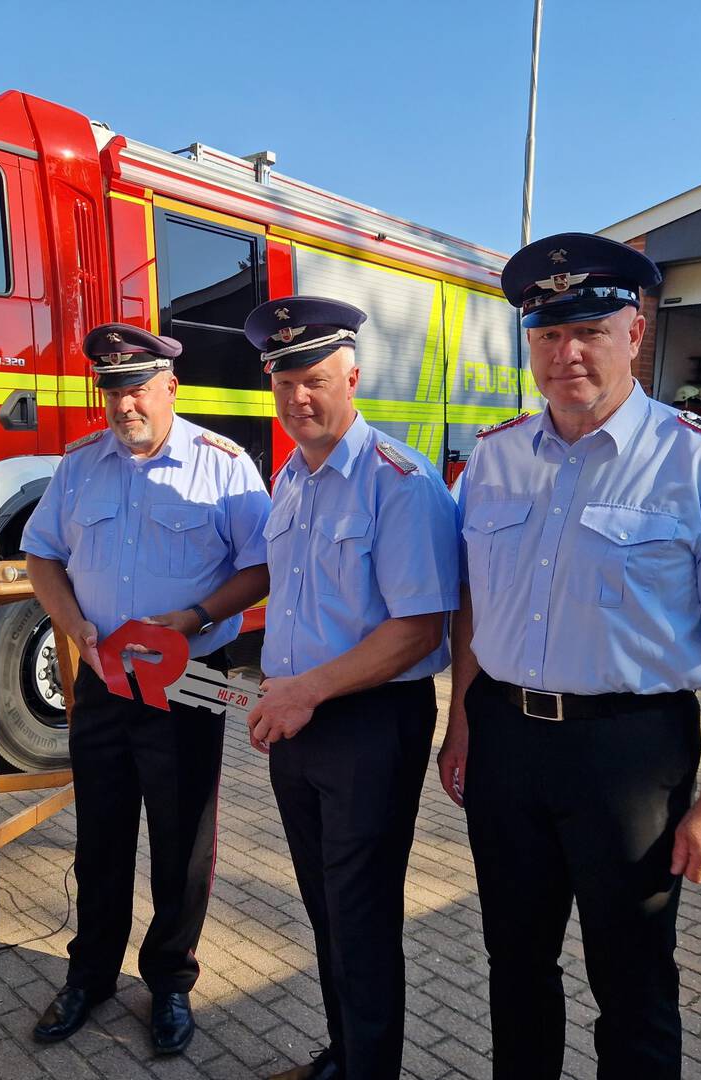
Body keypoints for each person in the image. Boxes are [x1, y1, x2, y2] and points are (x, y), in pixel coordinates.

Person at [437, 232, 701, 1079]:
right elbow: (473, 614)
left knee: (633, 980)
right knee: (514, 965)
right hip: (506, 741)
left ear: (634, 334)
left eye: (590, 332)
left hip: (630, 756)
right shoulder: (493, 461)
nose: (566, 354)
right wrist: (461, 723)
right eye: (546, 334)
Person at [21, 322, 271, 1055]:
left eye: (137, 389)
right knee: (100, 832)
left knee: (181, 838)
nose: (124, 404)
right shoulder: (78, 468)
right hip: (103, 682)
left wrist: (195, 616)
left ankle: (168, 981)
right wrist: (74, 629)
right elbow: (42, 557)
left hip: (187, 679)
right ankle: (91, 974)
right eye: (112, 390)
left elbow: (259, 567)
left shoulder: (223, 467)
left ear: (171, 387)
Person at [242, 297, 461, 1080]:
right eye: (284, 380)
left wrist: (303, 691)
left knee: (362, 918)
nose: (299, 396)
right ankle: (343, 1057)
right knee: (325, 908)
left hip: (370, 723)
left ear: (353, 377)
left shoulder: (399, 482)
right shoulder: (292, 480)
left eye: (315, 378)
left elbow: (419, 628)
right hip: (299, 723)